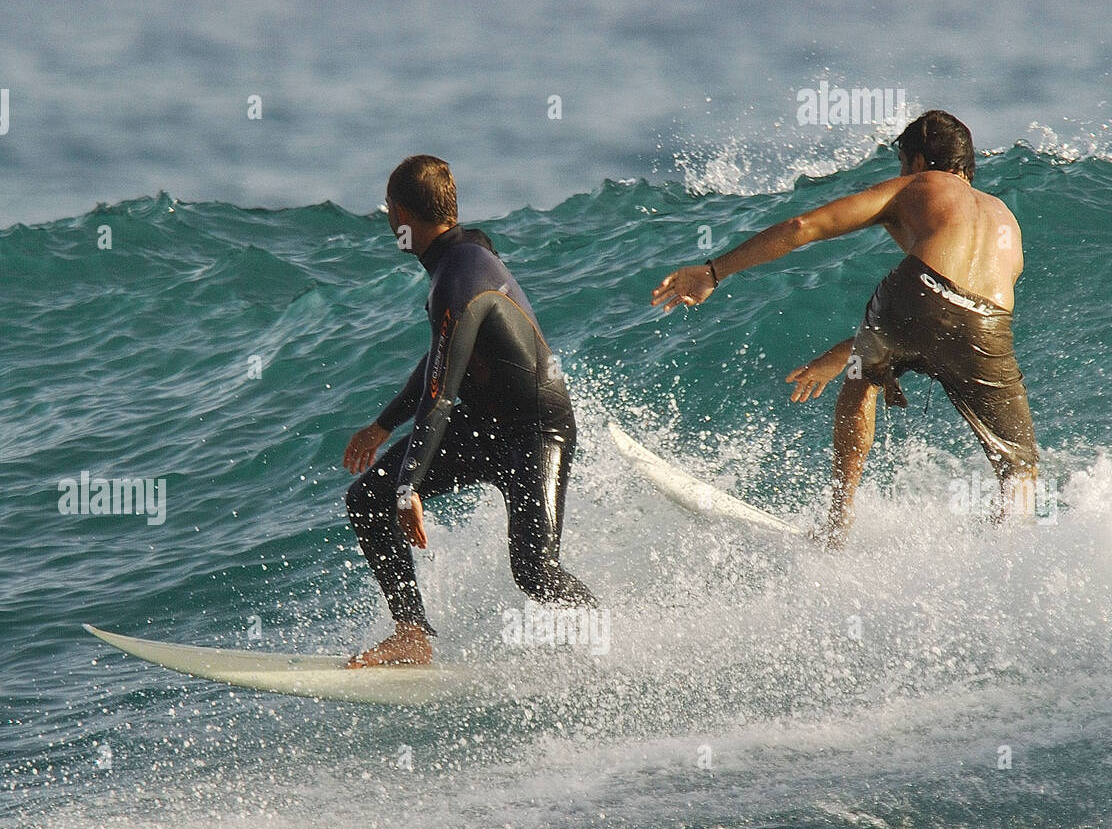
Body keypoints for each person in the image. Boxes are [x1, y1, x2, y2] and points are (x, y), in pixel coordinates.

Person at [651, 111, 1038, 545]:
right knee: (1019, 463)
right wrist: (851, 352)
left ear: (915, 161)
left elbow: (804, 227)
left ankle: (838, 527)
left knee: (861, 384)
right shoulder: (1005, 218)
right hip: (988, 323)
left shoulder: (919, 185)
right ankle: (1011, 551)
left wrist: (713, 271)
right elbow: (956, 314)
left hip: (919, 292)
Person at [344, 155, 594, 665]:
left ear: (401, 216)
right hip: (482, 427)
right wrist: (382, 426)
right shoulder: (466, 253)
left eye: (389, 214)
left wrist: (409, 486)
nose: (390, 225)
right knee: (368, 498)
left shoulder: (456, 282)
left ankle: (607, 635)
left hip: (535, 430)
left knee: (534, 570)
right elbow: (443, 356)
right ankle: (412, 636)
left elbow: (440, 396)